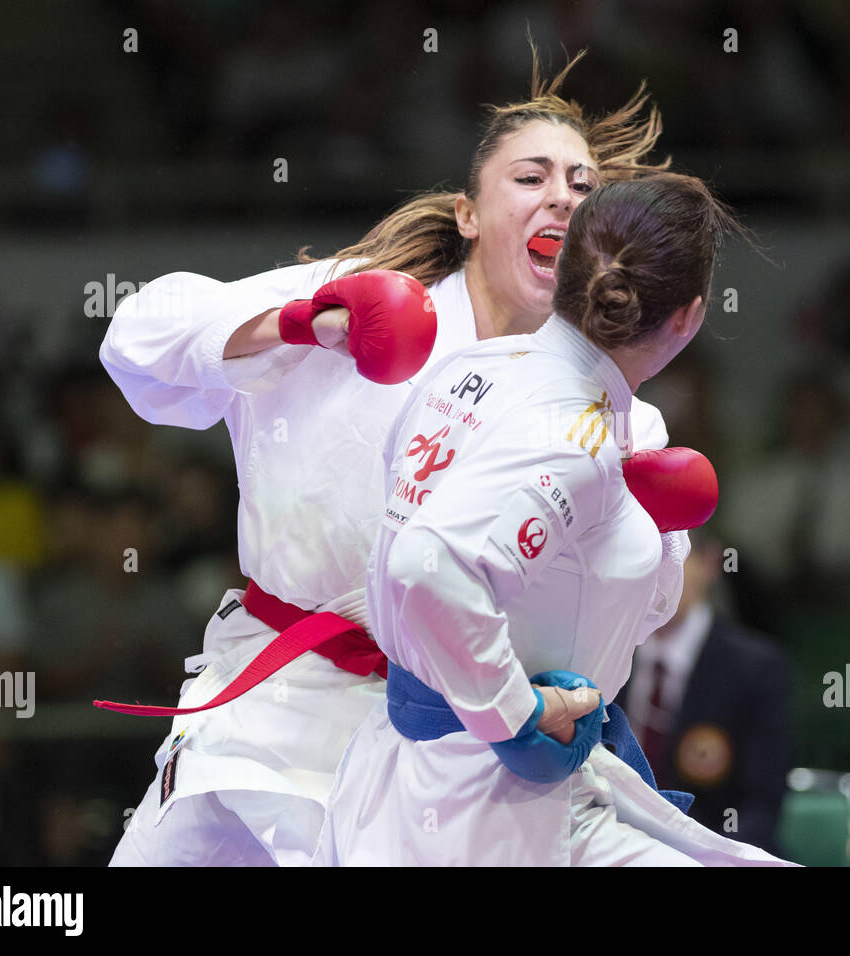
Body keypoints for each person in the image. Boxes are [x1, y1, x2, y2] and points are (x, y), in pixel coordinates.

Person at [98, 49, 690, 866]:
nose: (563, 195)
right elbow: (135, 339)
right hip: (280, 719)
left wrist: (658, 537)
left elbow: (639, 615)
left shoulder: (619, 417)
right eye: (532, 177)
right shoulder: (359, 300)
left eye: (584, 187)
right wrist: (302, 324)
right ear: (468, 214)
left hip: (460, 758)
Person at [315, 173, 793, 866]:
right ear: (688, 316)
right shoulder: (580, 433)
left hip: (450, 779)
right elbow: (425, 563)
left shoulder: (466, 373)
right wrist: (513, 714)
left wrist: (660, 535)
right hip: (485, 801)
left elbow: (626, 615)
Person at [618, 529, 792, 855]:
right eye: (646, 558)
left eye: (671, 559)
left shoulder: (755, 669)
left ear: (709, 563)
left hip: (710, 852)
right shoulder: (607, 655)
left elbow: (762, 809)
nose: (656, 577)